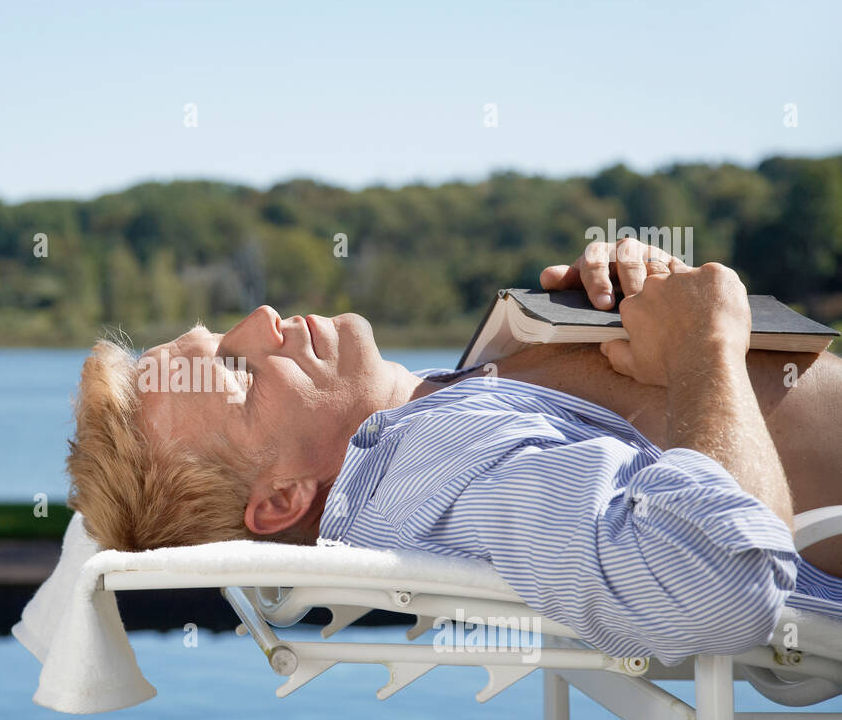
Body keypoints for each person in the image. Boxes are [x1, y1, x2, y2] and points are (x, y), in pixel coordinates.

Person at [65, 238, 842, 663]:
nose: (263, 319)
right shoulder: (433, 470)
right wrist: (706, 341)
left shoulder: (435, 413)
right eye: (236, 374)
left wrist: (618, 302)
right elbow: (714, 588)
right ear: (279, 500)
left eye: (225, 330)